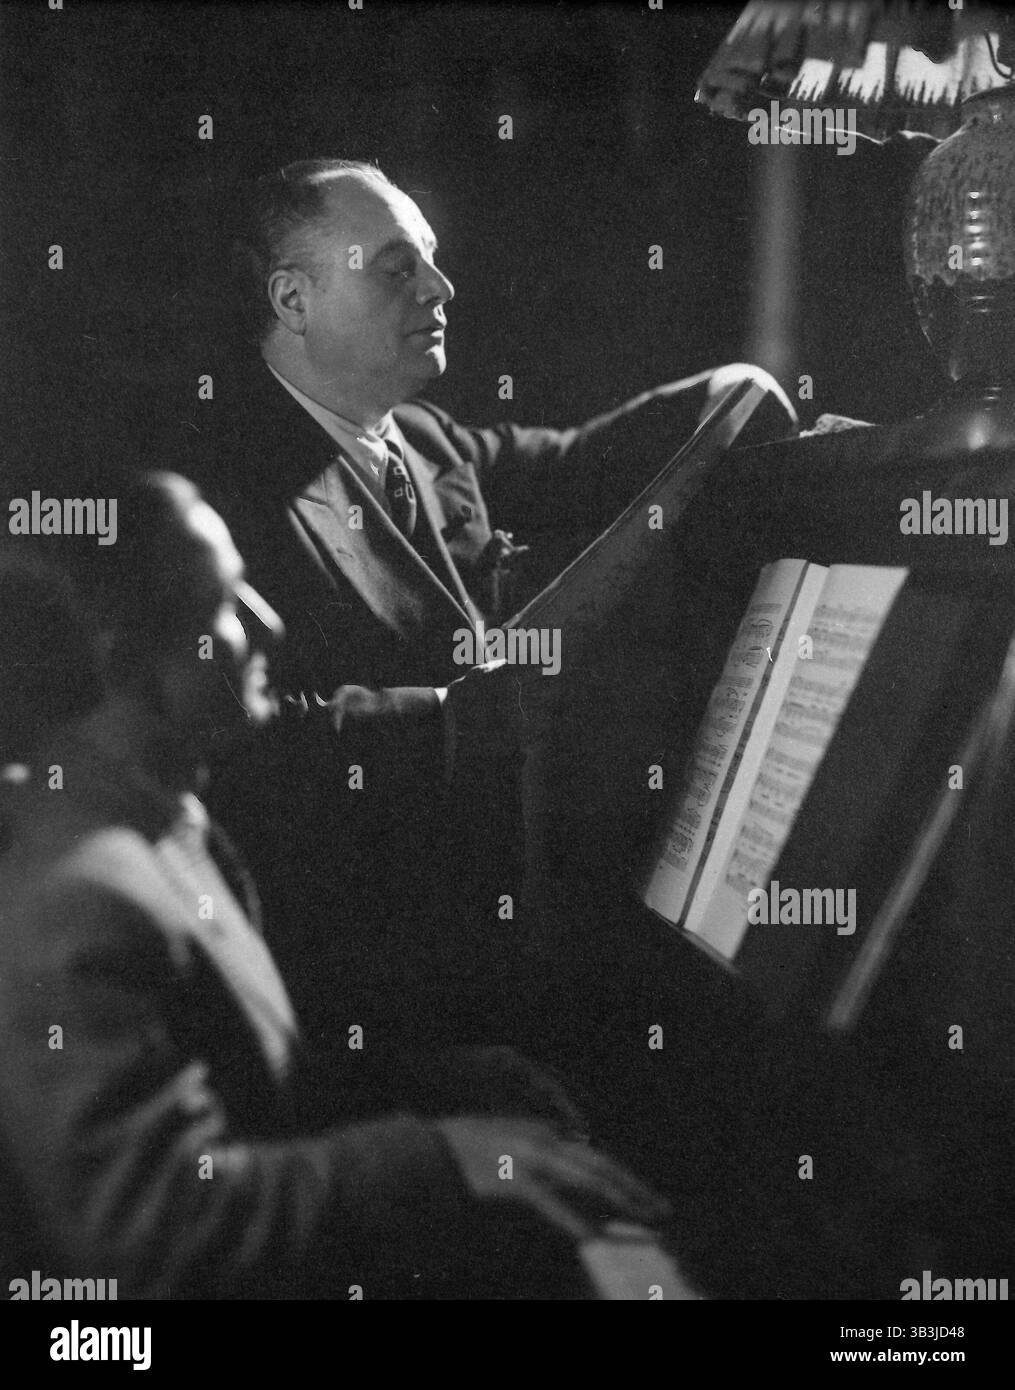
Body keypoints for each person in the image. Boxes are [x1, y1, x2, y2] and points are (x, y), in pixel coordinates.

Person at [174, 157, 798, 1049]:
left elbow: (583, 463)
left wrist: (727, 391)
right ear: (292, 302)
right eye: (397, 268)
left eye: (430, 259)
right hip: (375, 982)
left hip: (512, 903)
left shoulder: (423, 439)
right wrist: (471, 713)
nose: (440, 286)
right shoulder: (223, 499)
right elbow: (256, 756)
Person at [0, 474, 671, 1300]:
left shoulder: (153, 813)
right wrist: (438, 1155)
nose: (267, 622)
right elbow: (155, 1234)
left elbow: (252, 1093)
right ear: (121, 656)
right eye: (223, 602)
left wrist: (437, 1093)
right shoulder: (80, 893)